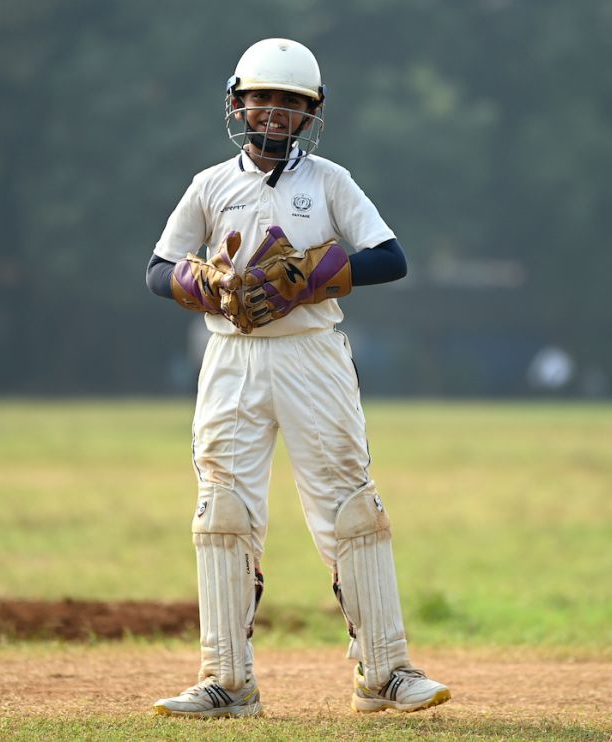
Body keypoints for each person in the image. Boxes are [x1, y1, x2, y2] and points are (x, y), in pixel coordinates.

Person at [144, 37, 450, 719]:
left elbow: (391, 258)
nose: (275, 112)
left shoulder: (330, 182)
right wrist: (202, 282)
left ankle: (385, 673)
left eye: (290, 102)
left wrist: (312, 277)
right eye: (262, 98)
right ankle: (227, 680)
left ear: (311, 113)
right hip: (231, 358)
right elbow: (158, 270)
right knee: (223, 508)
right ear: (237, 103)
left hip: (312, 354)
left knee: (350, 506)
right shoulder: (209, 185)